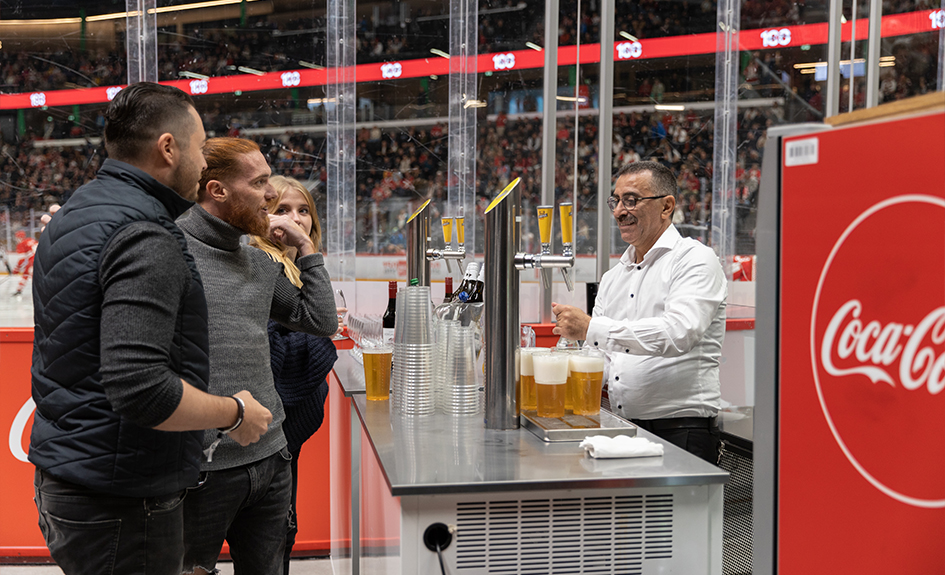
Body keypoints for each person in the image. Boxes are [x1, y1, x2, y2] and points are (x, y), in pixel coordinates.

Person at [29, 82, 272, 575]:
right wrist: (234, 413)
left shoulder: (77, 211)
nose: (205, 164)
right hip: (122, 497)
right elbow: (142, 390)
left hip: (74, 478)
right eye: (201, 148)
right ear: (167, 148)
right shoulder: (143, 233)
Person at [177, 138, 338, 575]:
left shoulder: (258, 262)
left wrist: (307, 250)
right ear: (218, 190)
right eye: (261, 182)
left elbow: (321, 321)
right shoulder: (170, 254)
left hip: (272, 460)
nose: (272, 195)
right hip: (202, 471)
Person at [552, 160, 727, 464]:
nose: (620, 211)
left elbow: (678, 333)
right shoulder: (613, 277)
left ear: (666, 206)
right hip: (622, 430)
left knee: (681, 514)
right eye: (616, 201)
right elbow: (605, 356)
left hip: (682, 430)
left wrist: (591, 329)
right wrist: (559, 373)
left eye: (631, 200)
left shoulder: (695, 260)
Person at [249, 175, 340, 574]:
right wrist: (320, 338)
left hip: (281, 436)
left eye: (304, 211)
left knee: (281, 533)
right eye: (283, 209)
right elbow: (286, 352)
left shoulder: (292, 267)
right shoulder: (262, 264)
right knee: (272, 537)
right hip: (264, 433)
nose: (296, 219)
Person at [11, 230, 37, 296]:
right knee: (28, 274)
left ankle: (19, 289)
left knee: (28, 274)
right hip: (41, 259)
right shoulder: (31, 240)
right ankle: (19, 289)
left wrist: (16, 270)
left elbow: (21, 260)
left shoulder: (21, 244)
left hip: (33, 260)